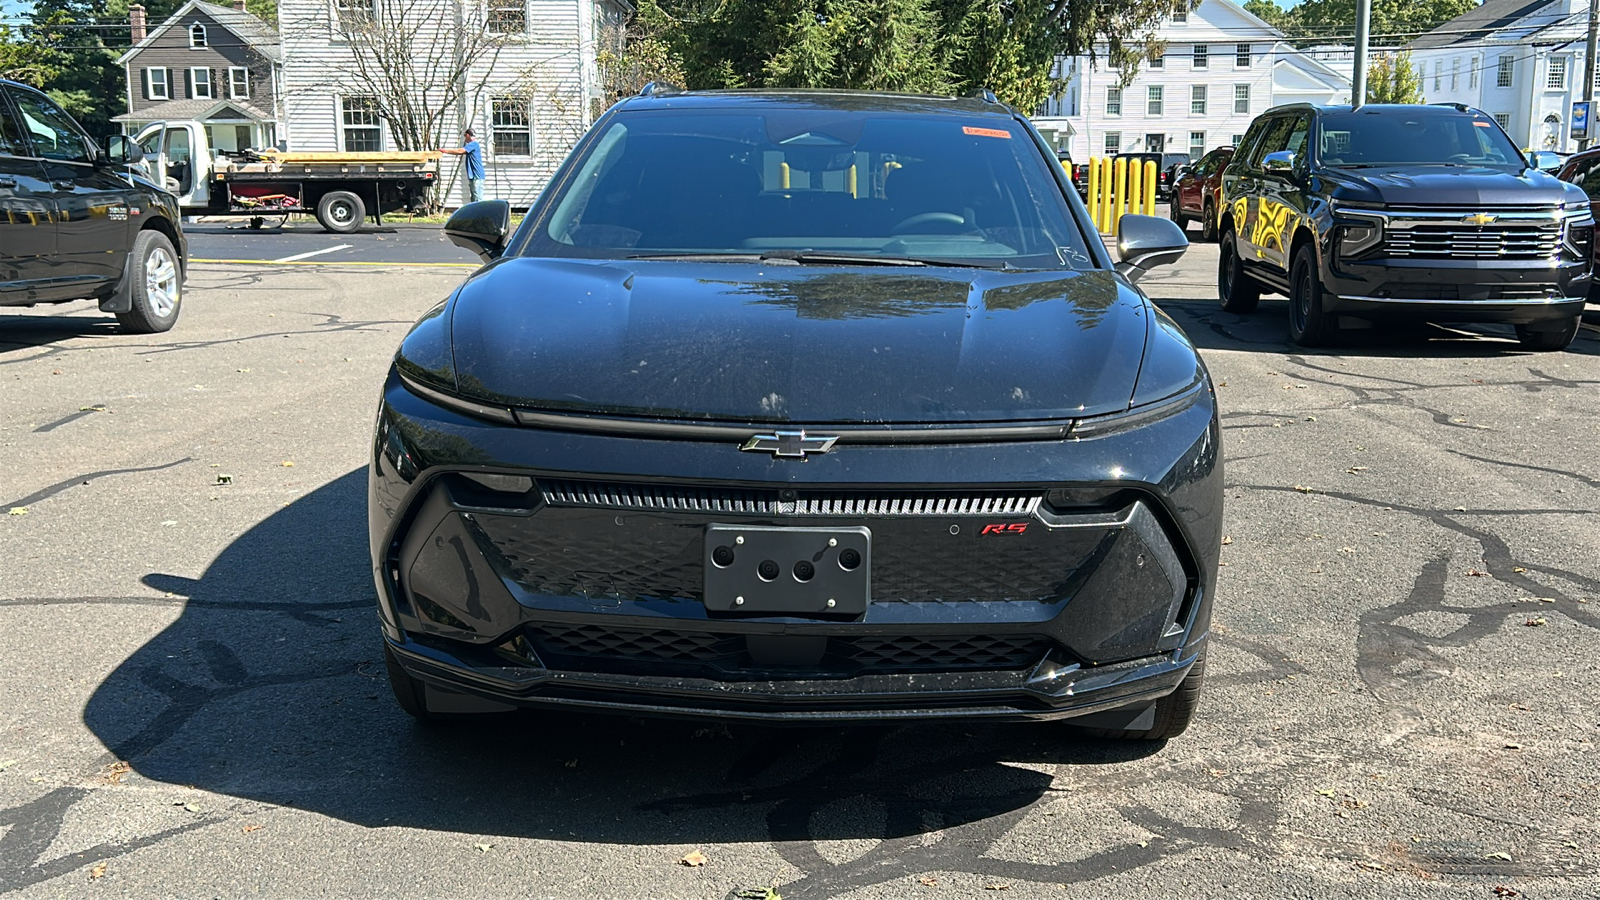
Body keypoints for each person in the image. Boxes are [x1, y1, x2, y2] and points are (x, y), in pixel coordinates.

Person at [440, 129, 485, 202]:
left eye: (465, 136)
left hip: (477, 176)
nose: (465, 139)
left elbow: (460, 151)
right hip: (473, 176)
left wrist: (445, 151)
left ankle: (481, 213)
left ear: (467, 135)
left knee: (478, 199)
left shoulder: (473, 144)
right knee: (474, 199)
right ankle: (474, 213)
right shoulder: (472, 145)